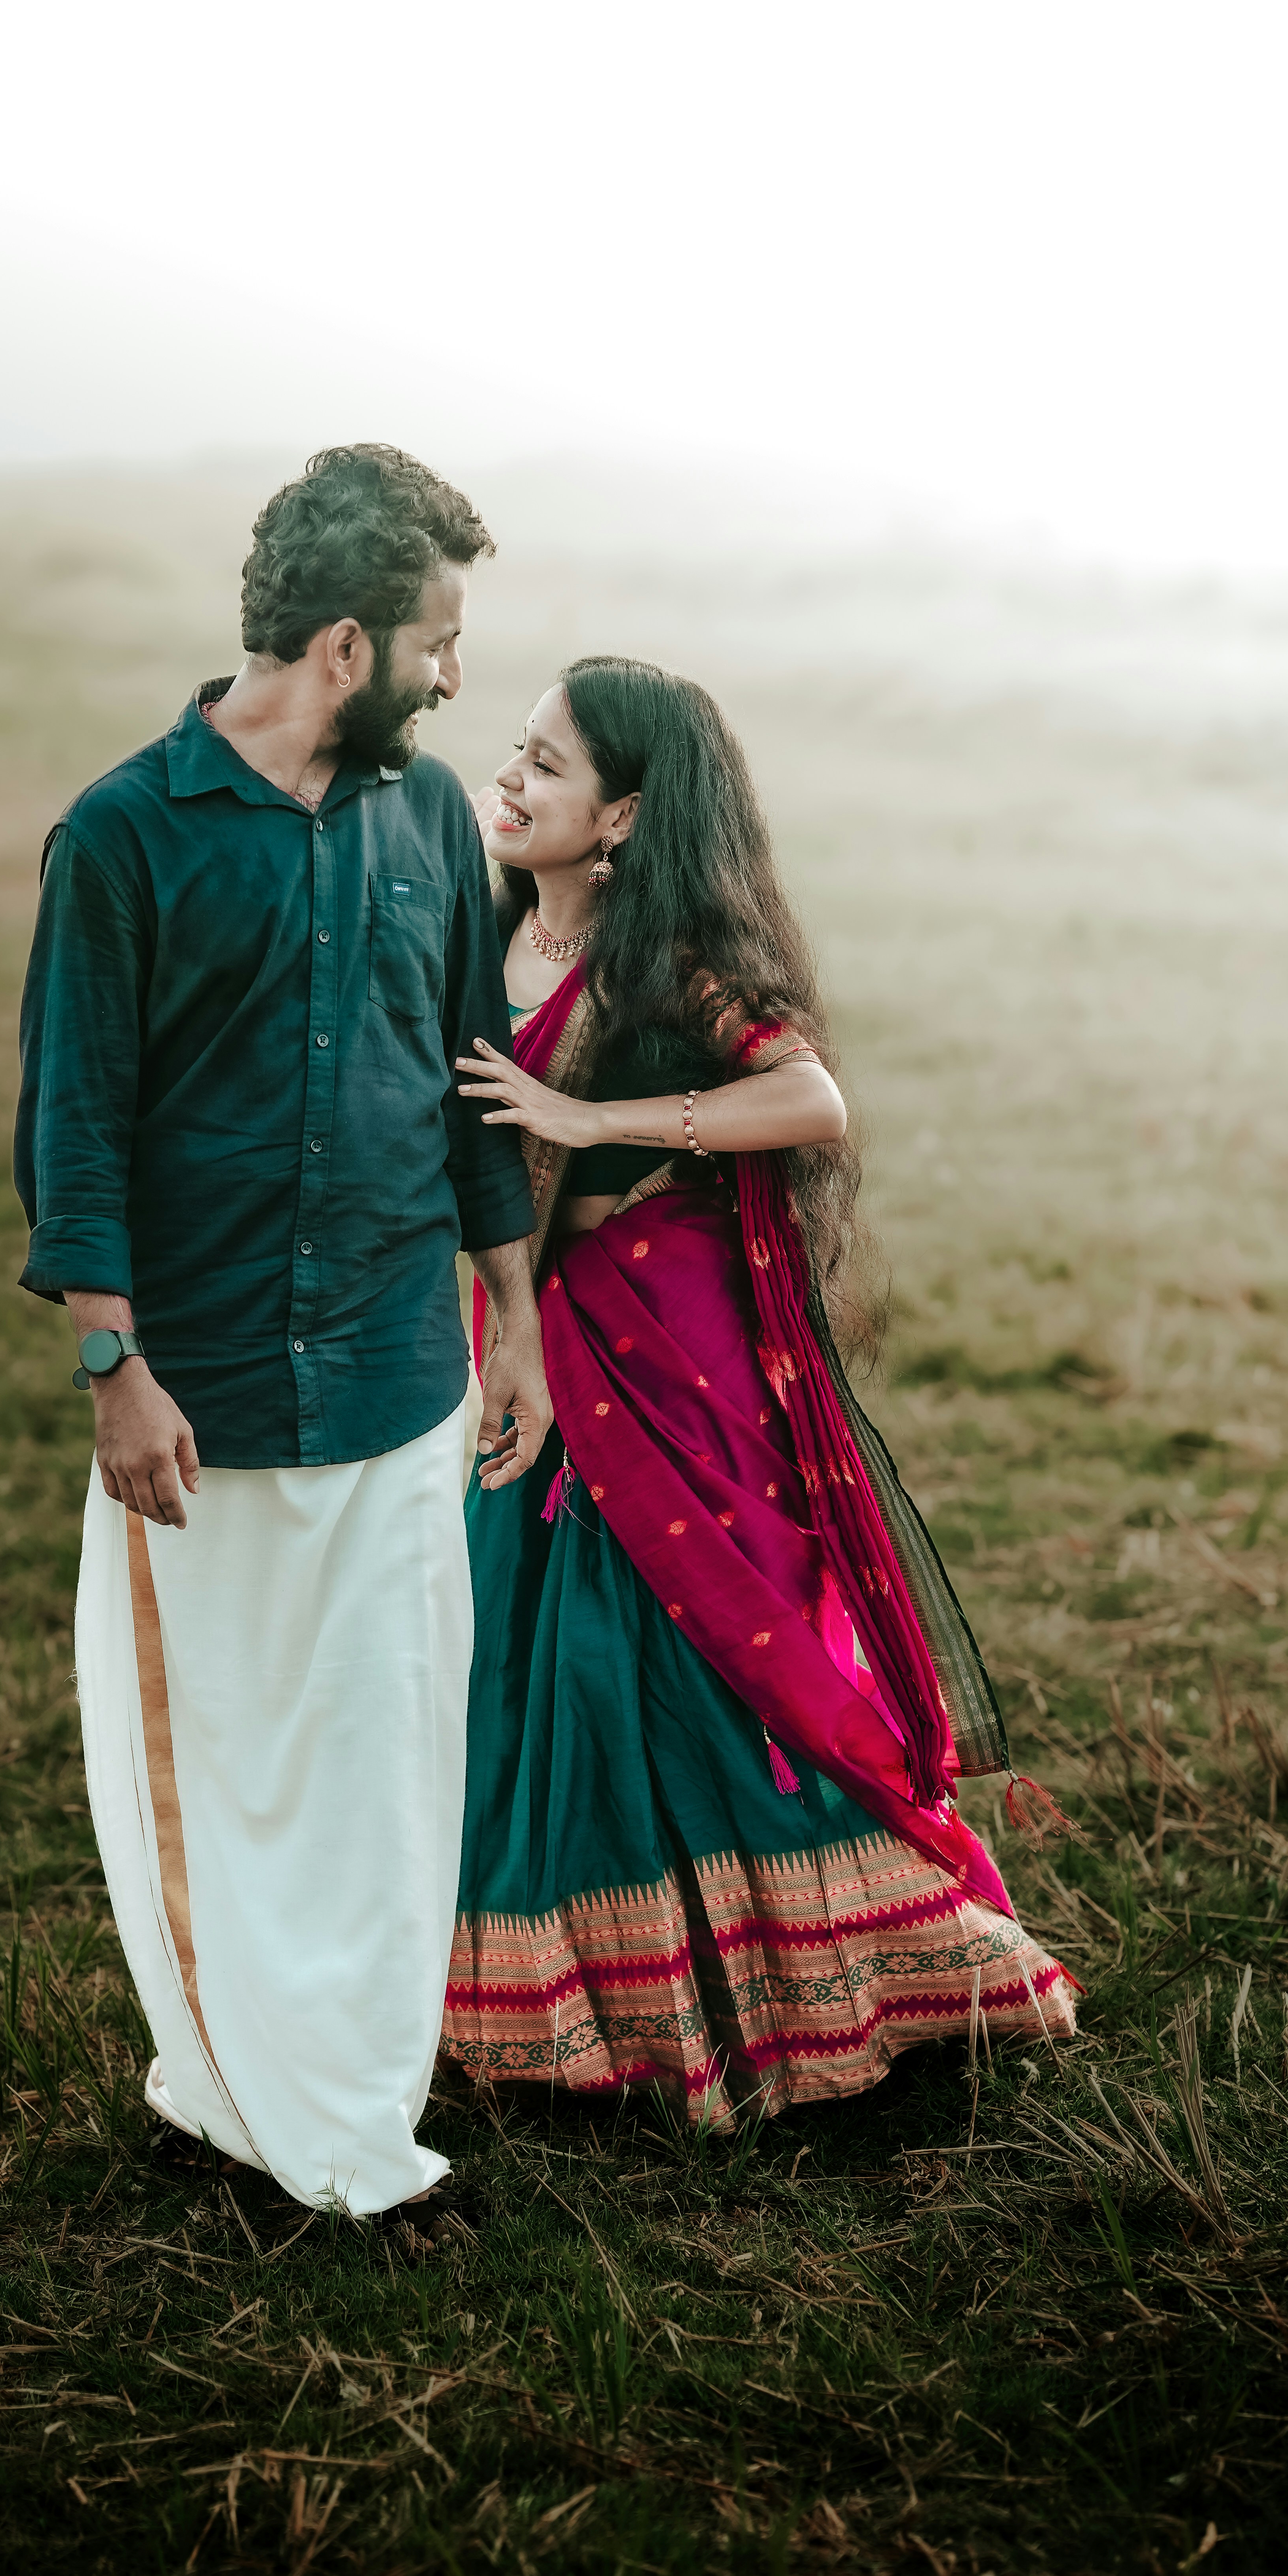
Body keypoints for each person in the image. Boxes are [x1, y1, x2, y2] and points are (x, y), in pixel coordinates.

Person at [14, 445, 550, 2213]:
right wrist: (116, 1366)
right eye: (438, 640)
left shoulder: (426, 822)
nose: (456, 676)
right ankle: (243, 2095)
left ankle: (356, 2122)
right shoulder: (121, 838)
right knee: (226, 1768)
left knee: (389, 1766)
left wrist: (518, 1327)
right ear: (344, 644)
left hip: (408, 1376)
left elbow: (472, 1098)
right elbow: (74, 1125)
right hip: (204, 1402)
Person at [441, 657, 1076, 2114]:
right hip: (521, 1333)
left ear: (623, 821)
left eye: (550, 765)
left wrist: (586, 1114)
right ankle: (558, 1992)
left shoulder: (661, 966)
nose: (515, 780)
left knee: (659, 1655)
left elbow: (810, 1097)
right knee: (521, 1663)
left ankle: (809, 1978)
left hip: (657, 1349)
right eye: (516, 750)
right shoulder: (474, 936)